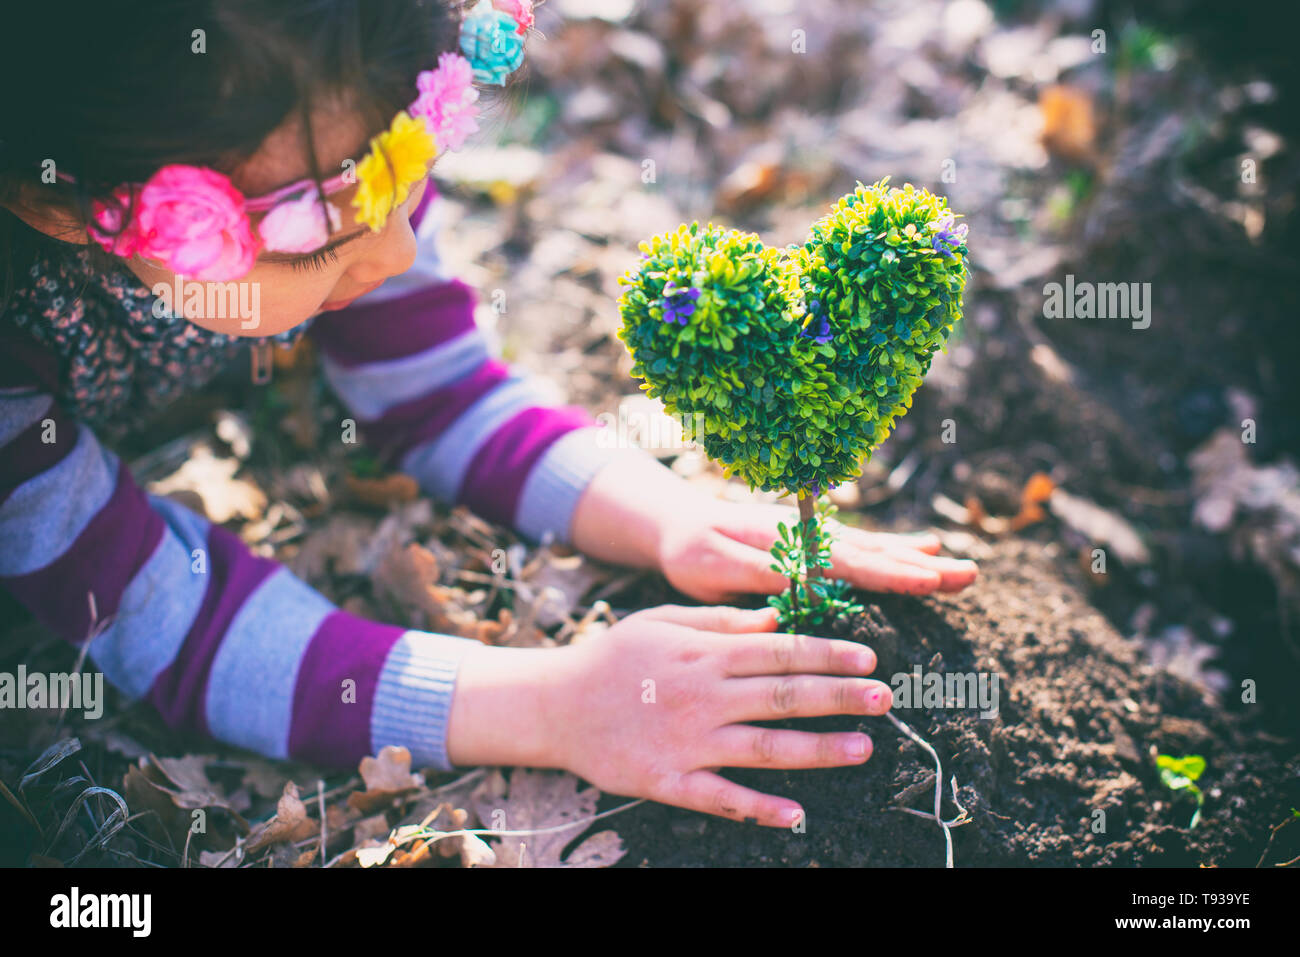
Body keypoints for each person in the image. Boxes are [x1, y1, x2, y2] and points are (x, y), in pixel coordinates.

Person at [0, 0, 976, 828]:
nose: (390, 253)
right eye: (315, 238)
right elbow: (164, 615)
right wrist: (551, 703)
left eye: (405, 171)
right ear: (52, 203)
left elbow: (435, 391)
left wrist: (657, 513)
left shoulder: (333, 169)